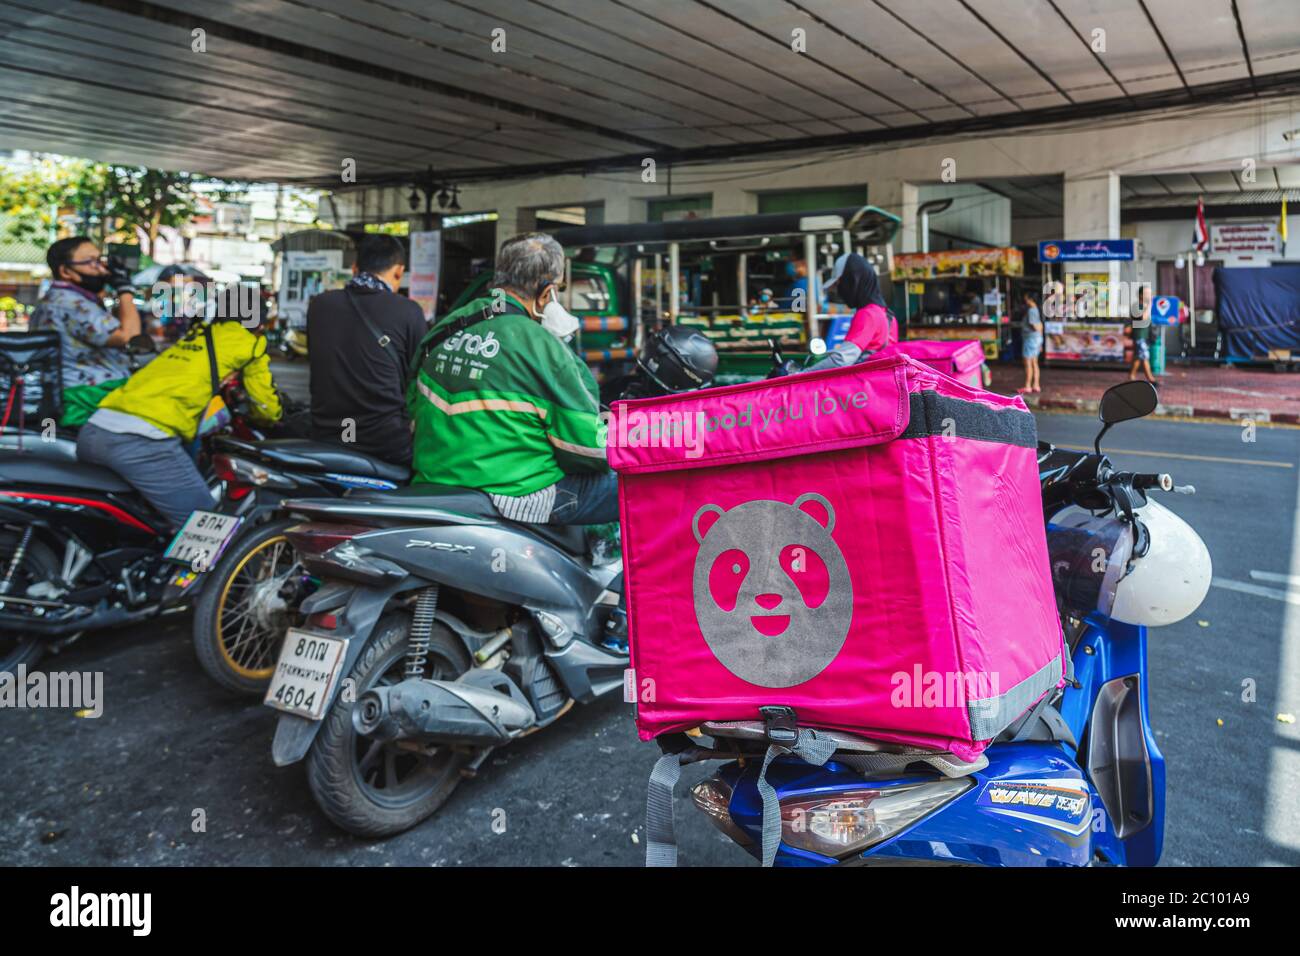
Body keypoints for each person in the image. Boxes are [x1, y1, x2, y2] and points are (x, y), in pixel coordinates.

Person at [409, 232, 613, 526]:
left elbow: (411, 408)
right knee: (629, 483)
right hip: (514, 495)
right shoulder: (545, 348)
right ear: (547, 293)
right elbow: (589, 449)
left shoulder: (444, 328)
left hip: (433, 479)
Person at [76, 289, 282, 529]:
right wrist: (276, 418)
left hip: (94, 430)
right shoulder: (250, 344)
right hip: (140, 441)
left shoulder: (195, 335)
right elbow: (265, 404)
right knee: (207, 530)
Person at [307, 234, 429, 466]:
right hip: (385, 441)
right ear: (398, 272)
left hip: (332, 436)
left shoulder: (320, 305)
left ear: (354, 268)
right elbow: (420, 375)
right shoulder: (408, 311)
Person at [30, 236, 142, 419]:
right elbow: (128, 336)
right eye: (92, 262)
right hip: (88, 395)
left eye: (100, 260)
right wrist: (125, 289)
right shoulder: (71, 303)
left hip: (84, 390)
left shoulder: (58, 299)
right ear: (66, 271)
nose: (102, 269)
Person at [809, 253, 891, 370]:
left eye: (839, 284)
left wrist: (801, 375)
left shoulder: (868, 314)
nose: (838, 291)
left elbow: (841, 360)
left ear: (852, 281)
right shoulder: (886, 314)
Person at [1129, 287, 1155, 384]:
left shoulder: (1145, 306)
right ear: (1140, 295)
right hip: (1139, 335)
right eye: (1147, 293)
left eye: (1150, 293)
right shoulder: (1137, 306)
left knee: (1139, 356)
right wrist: (1150, 304)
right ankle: (1151, 379)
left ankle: (1132, 375)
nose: (1149, 296)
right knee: (1144, 356)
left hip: (1144, 335)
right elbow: (1144, 317)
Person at [1019, 291, 1043, 395]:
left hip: (1030, 340)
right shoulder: (1036, 309)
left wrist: (1037, 331)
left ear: (1030, 299)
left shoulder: (1031, 310)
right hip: (1036, 340)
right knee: (1034, 363)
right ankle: (1036, 385)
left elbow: (1036, 325)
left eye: (1026, 297)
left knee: (1028, 363)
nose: (1025, 299)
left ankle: (1028, 386)